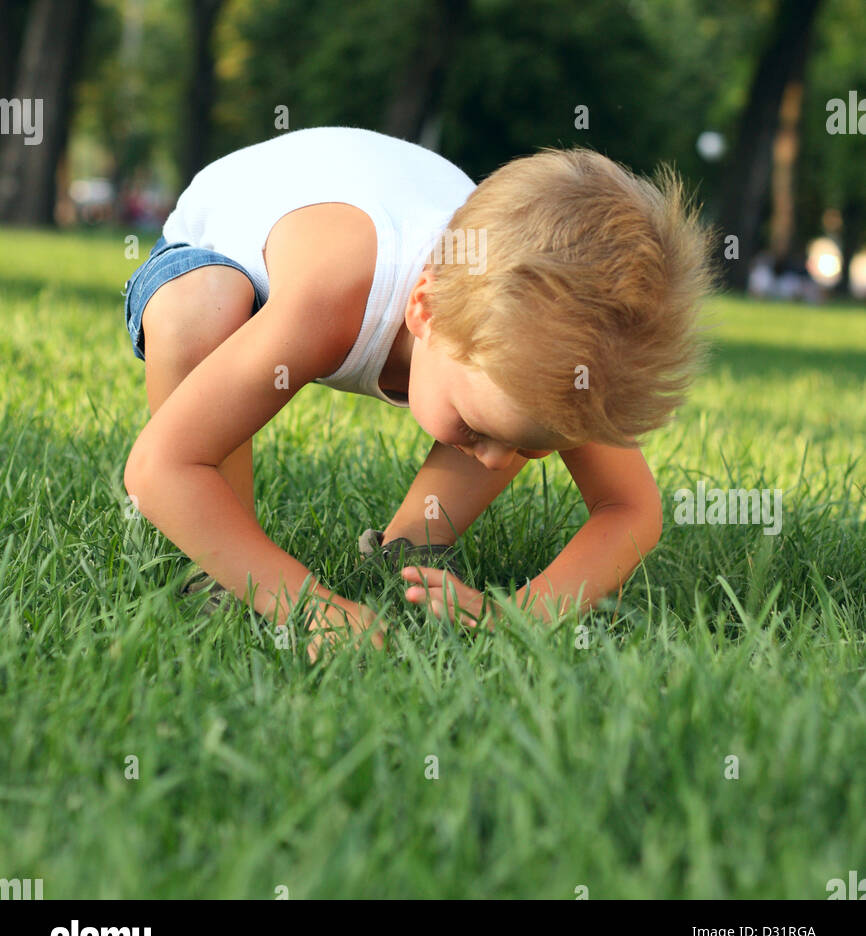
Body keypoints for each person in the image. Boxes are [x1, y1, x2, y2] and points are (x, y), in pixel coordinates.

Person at [122, 126, 714, 661]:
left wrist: (522, 616)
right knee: (200, 307)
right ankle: (227, 573)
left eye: (529, 452)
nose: (497, 462)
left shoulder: (543, 352)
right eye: (477, 429)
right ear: (424, 310)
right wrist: (305, 605)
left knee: (508, 421)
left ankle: (405, 554)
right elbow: (159, 467)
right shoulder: (334, 293)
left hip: (418, 257)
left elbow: (631, 509)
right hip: (214, 256)